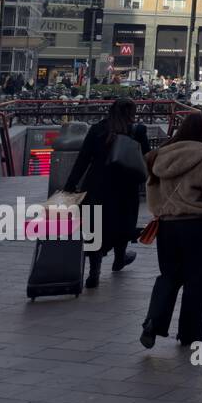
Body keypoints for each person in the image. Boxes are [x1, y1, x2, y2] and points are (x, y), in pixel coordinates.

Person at [140, 112, 202, 348]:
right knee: (196, 281)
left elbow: (151, 191)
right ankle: (191, 333)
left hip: (165, 226)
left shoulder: (158, 158)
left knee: (168, 276)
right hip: (194, 226)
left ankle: (152, 323)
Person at [65, 98, 151, 288]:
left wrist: (70, 185)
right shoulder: (137, 131)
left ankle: (94, 271)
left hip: (96, 185)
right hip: (125, 187)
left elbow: (83, 160)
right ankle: (119, 259)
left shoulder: (97, 130)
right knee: (123, 223)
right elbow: (147, 157)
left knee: (94, 228)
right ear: (132, 113)